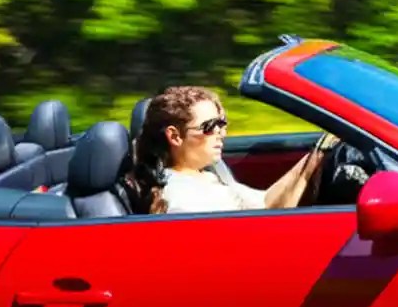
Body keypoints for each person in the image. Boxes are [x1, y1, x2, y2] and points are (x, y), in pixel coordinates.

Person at [127, 85, 336, 214]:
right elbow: (259, 230)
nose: (221, 133)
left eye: (222, 124)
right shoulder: (183, 200)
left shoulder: (206, 173)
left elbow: (264, 203)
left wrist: (318, 153)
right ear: (175, 136)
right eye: (209, 127)